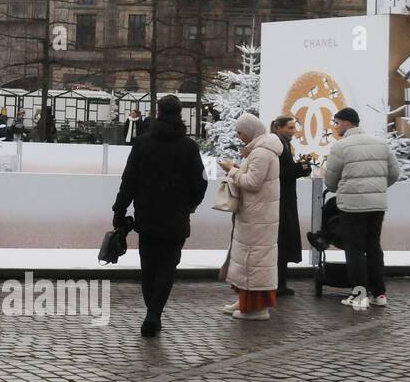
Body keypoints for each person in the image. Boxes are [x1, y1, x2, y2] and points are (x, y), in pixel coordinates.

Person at [112, 94, 208, 337]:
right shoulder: (189, 147)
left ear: (158, 113)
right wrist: (191, 204)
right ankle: (154, 314)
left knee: (149, 267)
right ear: (180, 115)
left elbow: (129, 181)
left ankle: (152, 312)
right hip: (176, 218)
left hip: (147, 216)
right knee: (167, 268)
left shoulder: (143, 144)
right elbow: (200, 183)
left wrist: (119, 210)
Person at [324, 107, 400, 312]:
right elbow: (394, 174)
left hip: (352, 206)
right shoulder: (381, 144)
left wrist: (344, 188)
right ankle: (379, 293)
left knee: (355, 248)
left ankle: (359, 295)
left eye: (337, 122)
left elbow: (330, 182)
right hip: (377, 205)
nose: (335, 126)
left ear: (347, 123)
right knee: (373, 247)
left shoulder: (341, 147)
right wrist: (376, 189)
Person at [218, 113, 283, 321]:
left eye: (241, 133)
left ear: (250, 131)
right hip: (255, 215)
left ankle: (256, 308)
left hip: (257, 218)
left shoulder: (261, 153)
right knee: (249, 261)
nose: (240, 137)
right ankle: (246, 300)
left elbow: (252, 183)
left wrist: (232, 171)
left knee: (254, 261)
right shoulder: (260, 150)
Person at [270, 115, 311, 297]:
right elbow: (280, 174)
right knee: (282, 240)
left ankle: (280, 281)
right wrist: (299, 169)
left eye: (294, 128)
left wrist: (300, 168)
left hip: (283, 199)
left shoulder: (282, 144)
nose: (293, 131)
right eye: (290, 128)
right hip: (282, 200)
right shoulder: (279, 146)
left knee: (283, 241)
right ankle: (279, 282)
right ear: (278, 127)